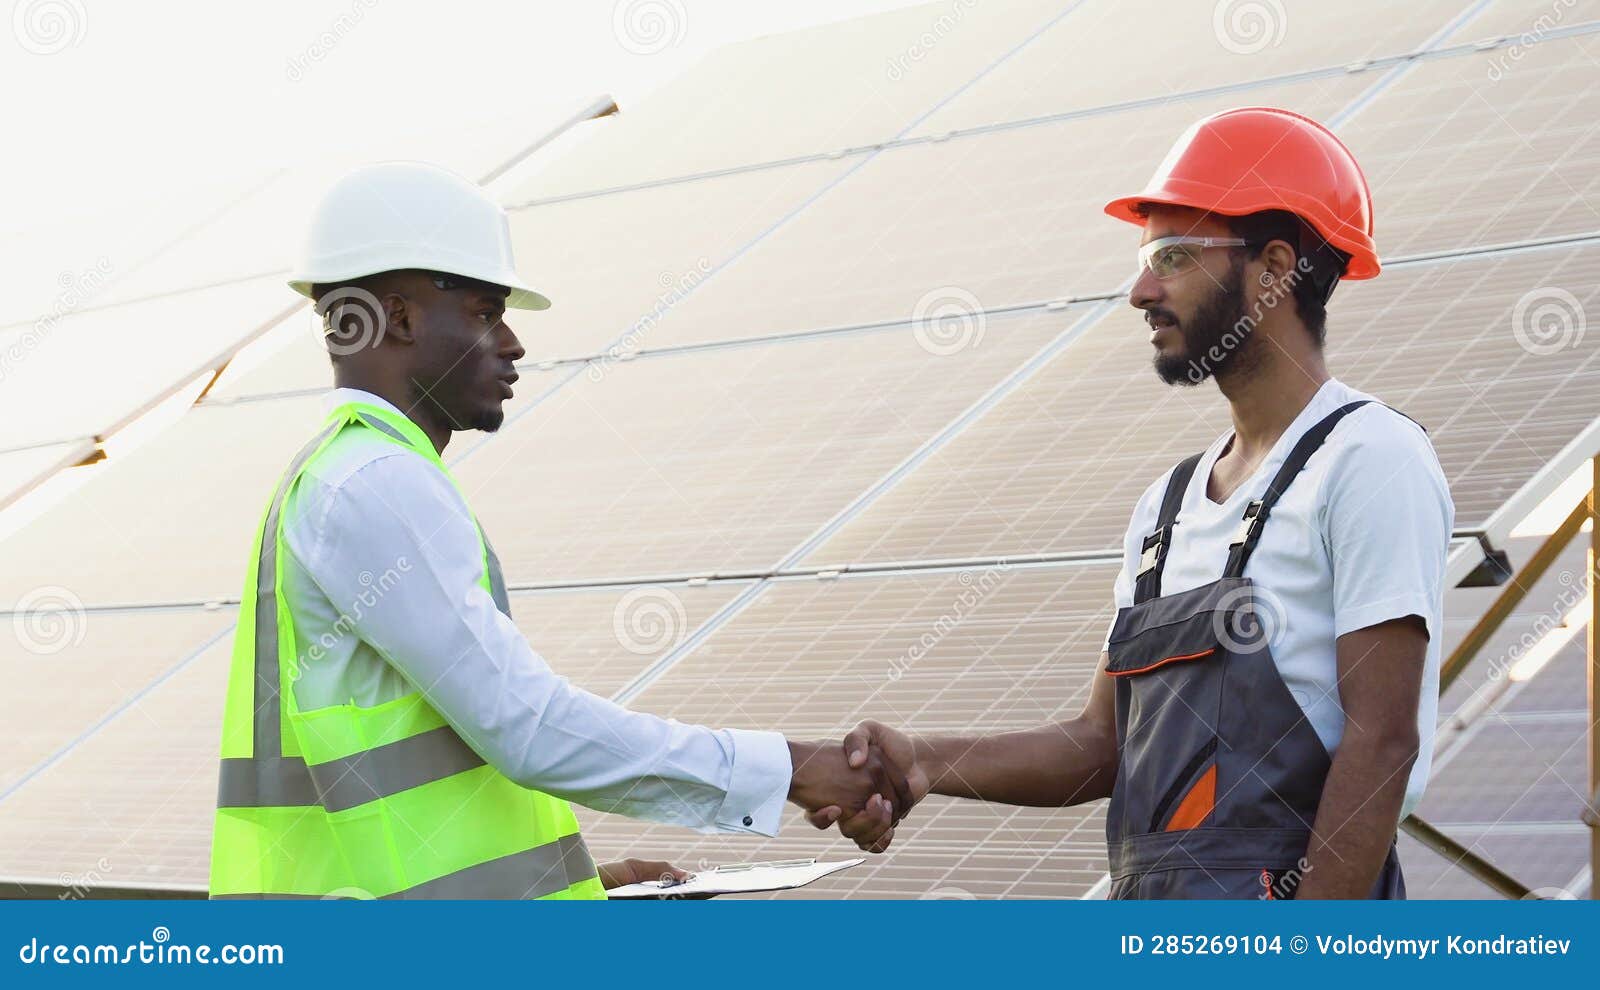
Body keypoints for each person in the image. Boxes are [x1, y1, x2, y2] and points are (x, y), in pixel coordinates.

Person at [208, 161, 911, 899]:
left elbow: (418, 801)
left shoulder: (339, 477)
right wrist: (790, 769)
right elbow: (527, 728)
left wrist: (581, 884)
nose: (511, 343)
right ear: (401, 316)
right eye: (486, 312)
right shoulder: (375, 484)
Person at [814, 107, 1454, 899]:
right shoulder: (1165, 508)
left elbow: (1385, 739)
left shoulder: (1370, 459)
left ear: (1275, 267)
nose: (1140, 290)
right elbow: (1100, 746)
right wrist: (919, 761)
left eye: (1172, 257)